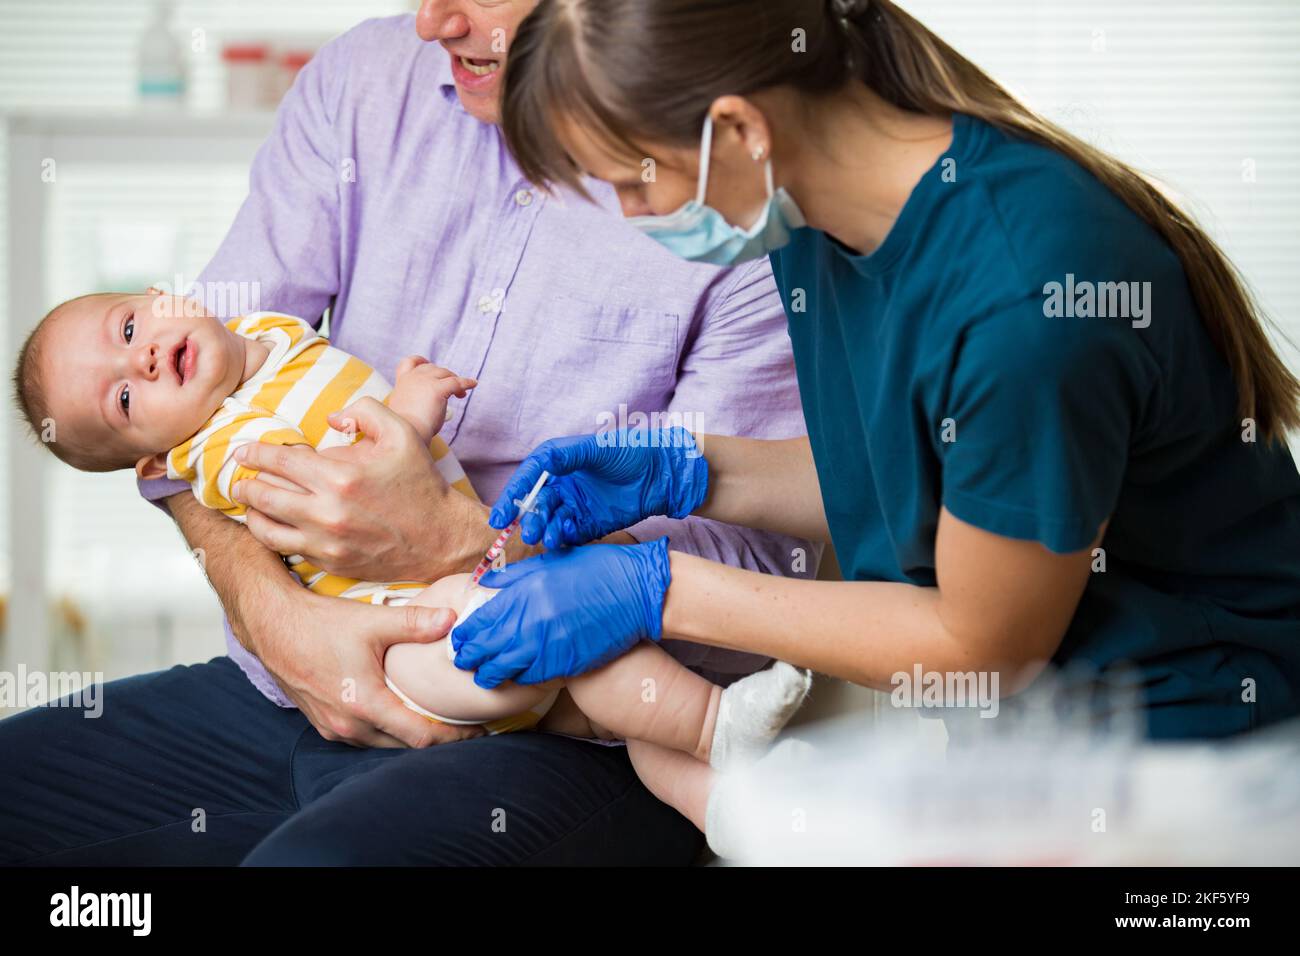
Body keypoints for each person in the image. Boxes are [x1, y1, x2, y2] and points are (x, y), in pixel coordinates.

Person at [0, 5, 813, 866]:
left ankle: (715, 756)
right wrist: (276, 616)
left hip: (566, 727)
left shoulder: (720, 187)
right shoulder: (361, 86)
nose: (434, 21)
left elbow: (754, 575)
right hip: (282, 681)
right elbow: (182, 420)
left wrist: (458, 542)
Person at [450, 0, 1300, 743]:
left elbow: (982, 647)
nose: (632, 217)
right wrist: (693, 469)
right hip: (1042, 739)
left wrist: (658, 587)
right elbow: (931, 480)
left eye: (636, 181)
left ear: (740, 131)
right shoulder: (811, 224)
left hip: (1197, 742)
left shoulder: (1027, 305)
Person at [12, 292, 813, 841]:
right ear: (156, 456)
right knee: (569, 644)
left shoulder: (270, 333)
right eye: (122, 400)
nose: (143, 360)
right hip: (408, 637)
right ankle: (718, 728)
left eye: (126, 330)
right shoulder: (221, 450)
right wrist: (409, 412)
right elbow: (345, 481)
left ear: (160, 293)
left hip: (466, 583)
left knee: (607, 691)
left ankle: (731, 812)